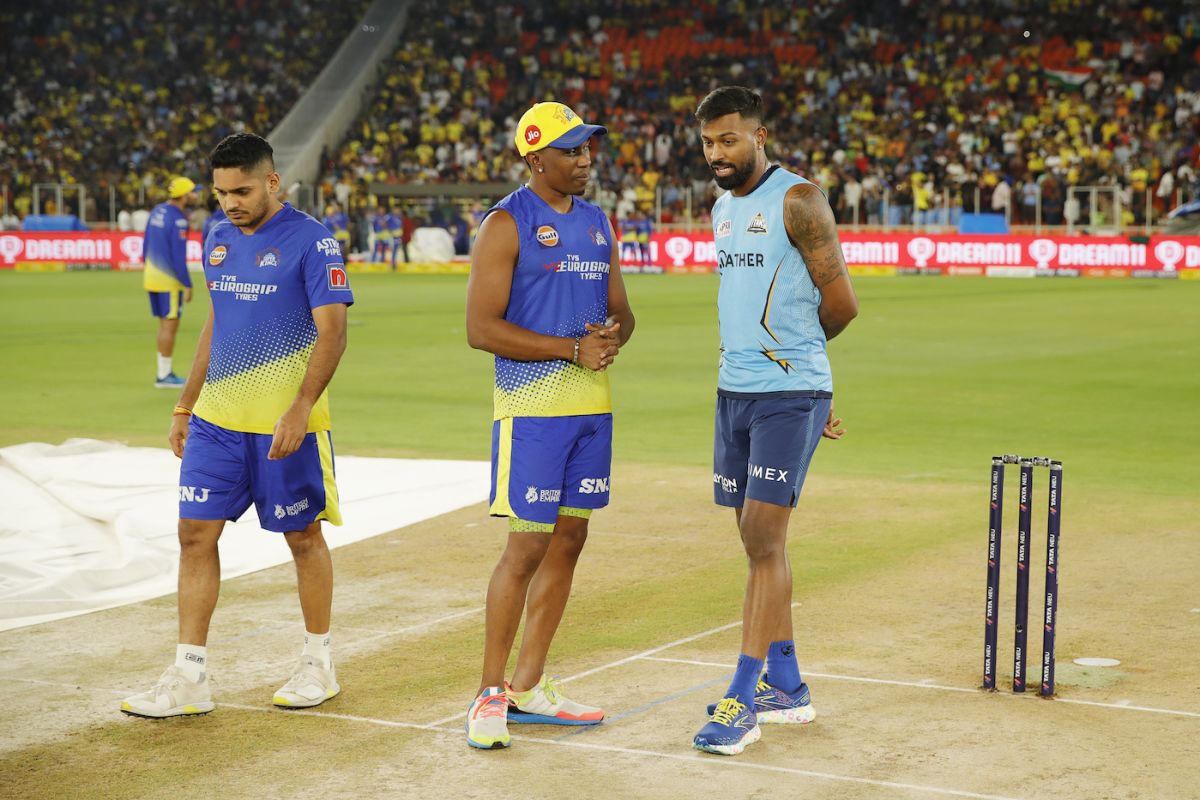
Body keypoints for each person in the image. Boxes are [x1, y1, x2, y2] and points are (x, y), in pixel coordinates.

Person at [120, 132, 354, 718]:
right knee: (194, 535)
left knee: (302, 538)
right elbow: (216, 322)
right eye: (221, 193)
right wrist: (186, 404)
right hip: (217, 424)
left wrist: (302, 405)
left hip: (284, 424)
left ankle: (318, 662)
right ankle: (190, 677)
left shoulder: (312, 241)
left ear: (272, 181)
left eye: (242, 190)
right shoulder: (218, 238)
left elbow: (333, 332)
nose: (230, 203)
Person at [691, 86, 858, 756]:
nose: (716, 154)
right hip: (735, 394)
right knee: (759, 544)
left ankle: (743, 699)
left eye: (728, 140)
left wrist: (805, 383)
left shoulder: (798, 199)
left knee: (763, 540)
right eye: (707, 142)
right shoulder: (721, 209)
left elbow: (841, 303)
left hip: (786, 394)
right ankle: (787, 688)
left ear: (760, 135)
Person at [463, 101, 635, 750]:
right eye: (570, 150)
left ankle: (529, 687)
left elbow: (622, 312)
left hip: (591, 412)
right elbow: (481, 329)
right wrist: (569, 349)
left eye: (588, 147)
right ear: (535, 157)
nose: (586, 158)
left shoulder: (596, 223)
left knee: (568, 542)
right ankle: (488, 693)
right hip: (531, 414)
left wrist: (610, 335)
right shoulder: (507, 224)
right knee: (525, 548)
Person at [144, 176, 199, 388]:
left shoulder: (158, 210)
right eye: (193, 192)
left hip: (151, 275)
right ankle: (164, 375)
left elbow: (146, 241)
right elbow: (178, 256)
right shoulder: (179, 219)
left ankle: (163, 372)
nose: (195, 195)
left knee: (163, 325)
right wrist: (187, 283)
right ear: (184, 196)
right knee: (170, 326)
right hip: (168, 280)